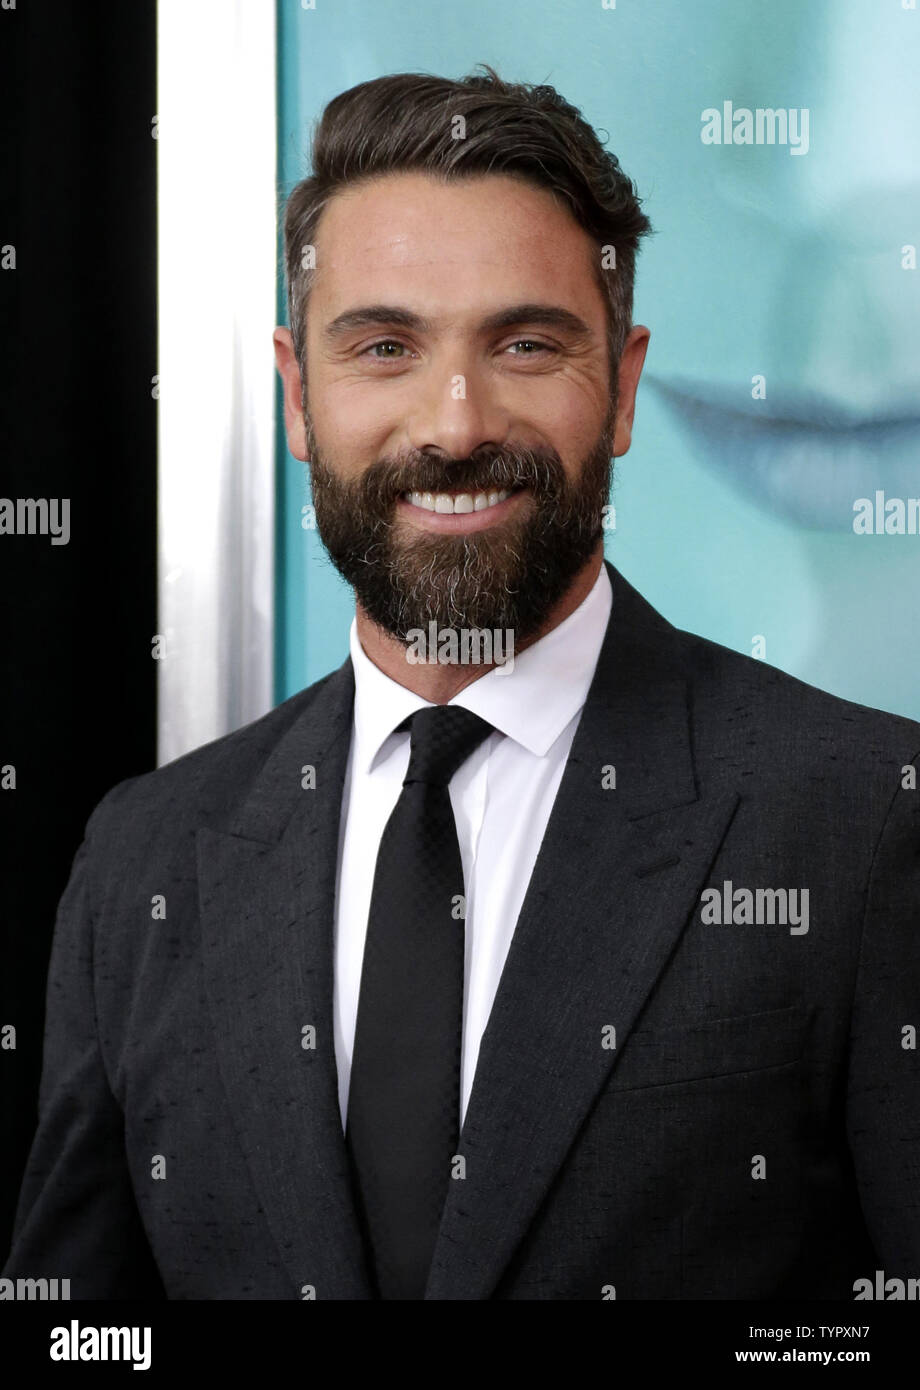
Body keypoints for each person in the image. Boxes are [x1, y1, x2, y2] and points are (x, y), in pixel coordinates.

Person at [4, 66, 919, 1301]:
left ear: (625, 385)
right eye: (383, 345)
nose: (453, 422)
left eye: (525, 344)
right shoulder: (143, 863)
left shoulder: (863, 817)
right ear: (295, 392)